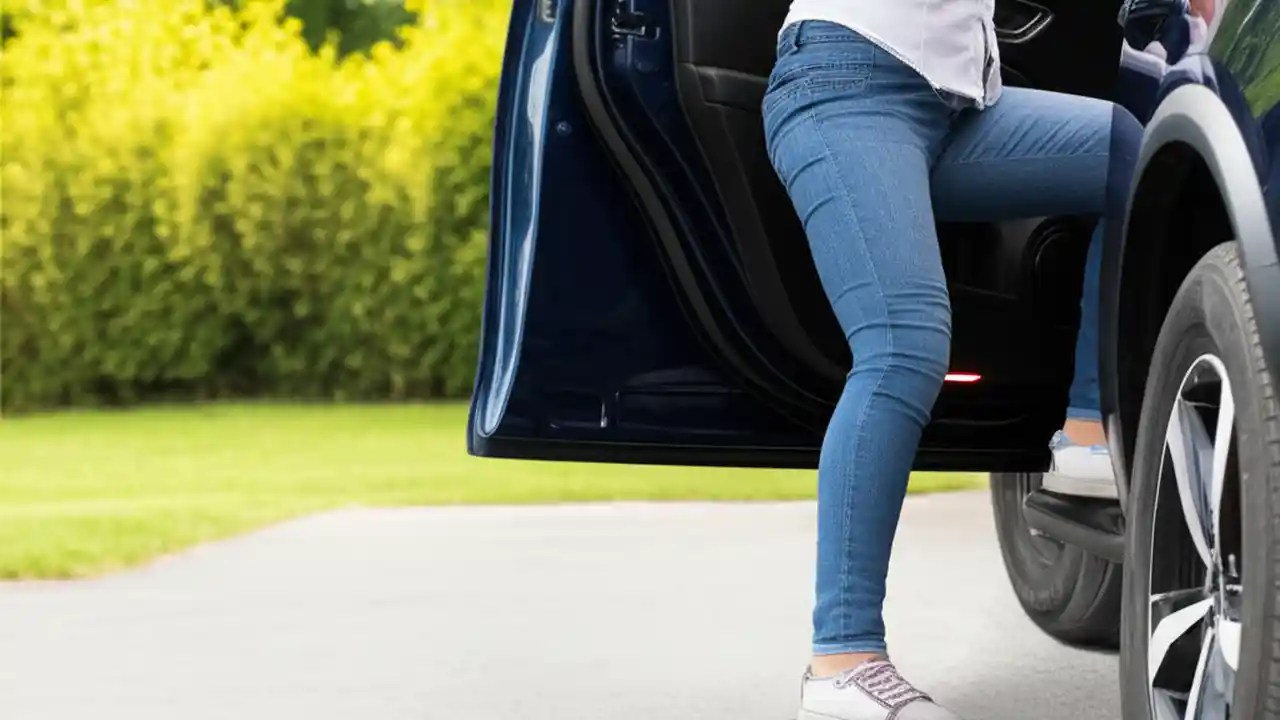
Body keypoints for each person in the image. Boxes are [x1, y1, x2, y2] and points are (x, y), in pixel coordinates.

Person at [762, 3, 1141, 719]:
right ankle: (841, 662)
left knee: (1140, 157)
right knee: (902, 344)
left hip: (957, 104)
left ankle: (1089, 431)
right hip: (841, 85)